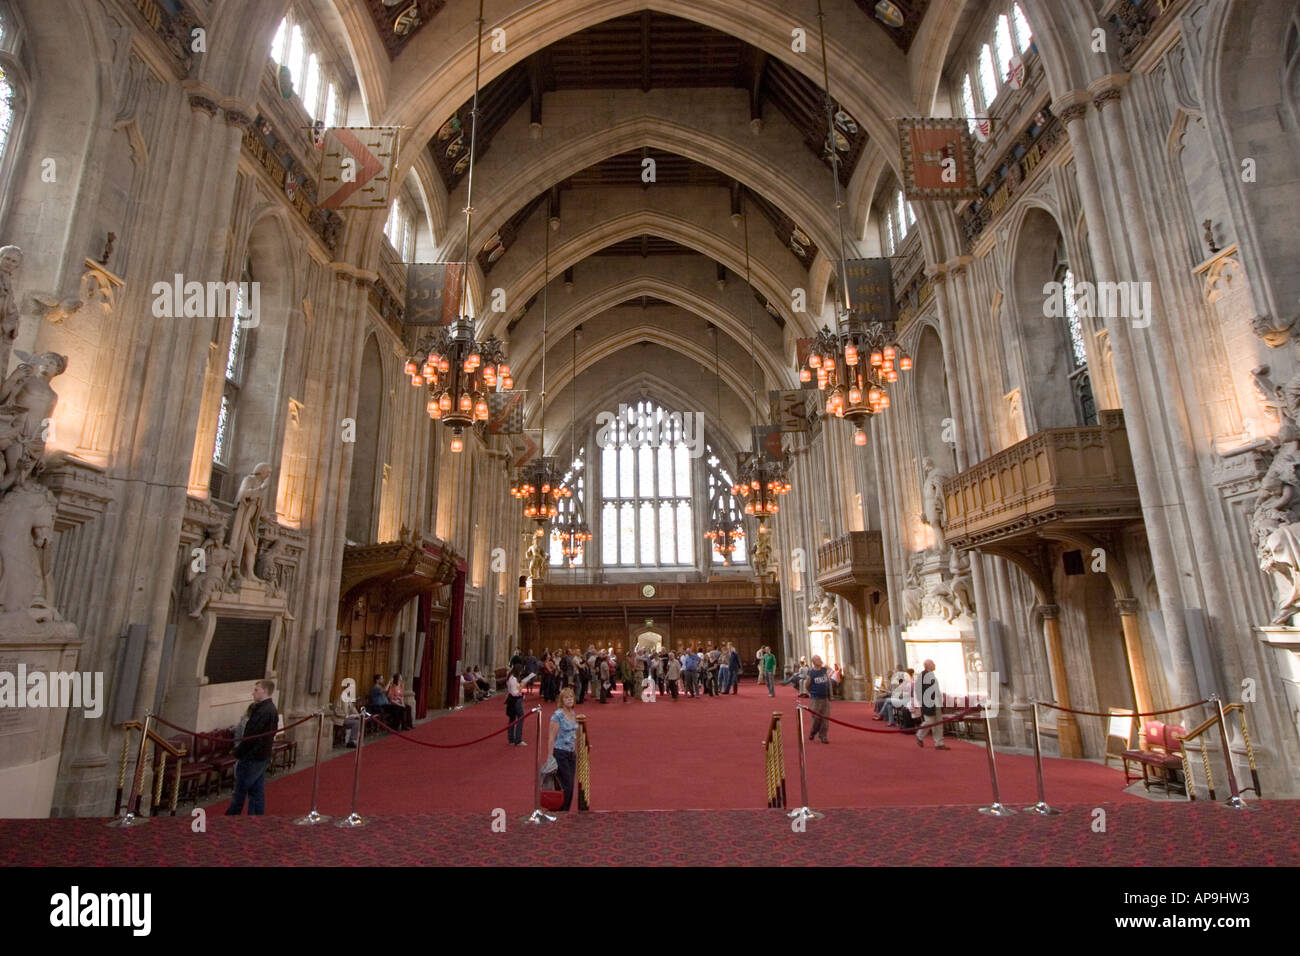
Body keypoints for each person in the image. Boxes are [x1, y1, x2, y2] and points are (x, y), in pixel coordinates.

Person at [227, 679, 278, 815]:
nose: (253, 693)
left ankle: (232, 816)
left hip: (253, 756)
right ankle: (256, 817)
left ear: (265, 691)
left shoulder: (264, 710)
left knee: (240, 789)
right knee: (256, 789)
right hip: (260, 755)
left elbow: (253, 736)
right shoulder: (267, 708)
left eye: (256, 690)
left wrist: (238, 752)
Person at [547, 687, 581, 811]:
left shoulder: (572, 714)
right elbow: (551, 738)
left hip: (571, 754)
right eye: (566, 698)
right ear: (562, 700)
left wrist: (576, 750)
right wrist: (550, 757)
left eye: (571, 697)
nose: (569, 700)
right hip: (560, 753)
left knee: (570, 785)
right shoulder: (557, 716)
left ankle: (565, 809)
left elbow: (574, 734)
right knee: (566, 785)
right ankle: (561, 810)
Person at [915, 659, 947, 749]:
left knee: (938, 723)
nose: (934, 664)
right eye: (933, 663)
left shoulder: (932, 675)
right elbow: (918, 690)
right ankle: (919, 735)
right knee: (929, 721)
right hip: (928, 703)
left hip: (936, 702)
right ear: (927, 665)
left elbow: (936, 689)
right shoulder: (922, 676)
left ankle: (939, 743)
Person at [806, 656, 832, 744]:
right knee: (816, 718)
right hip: (815, 698)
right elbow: (807, 684)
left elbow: (830, 671)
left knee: (825, 718)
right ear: (813, 662)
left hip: (825, 697)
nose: (820, 660)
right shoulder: (811, 672)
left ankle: (823, 735)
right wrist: (812, 692)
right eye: (818, 659)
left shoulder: (824, 670)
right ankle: (813, 731)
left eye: (820, 659)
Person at [505, 657, 527, 746]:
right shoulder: (513, 679)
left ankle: (511, 739)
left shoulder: (511, 676)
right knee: (520, 718)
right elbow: (514, 692)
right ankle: (518, 740)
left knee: (512, 719)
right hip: (515, 700)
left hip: (512, 699)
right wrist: (522, 686)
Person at [331, 683, 360, 747]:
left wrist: (358, 715)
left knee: (359, 720)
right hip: (339, 719)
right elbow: (337, 711)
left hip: (345, 718)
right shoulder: (340, 697)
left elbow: (352, 708)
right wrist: (346, 716)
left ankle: (355, 740)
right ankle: (352, 741)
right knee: (356, 723)